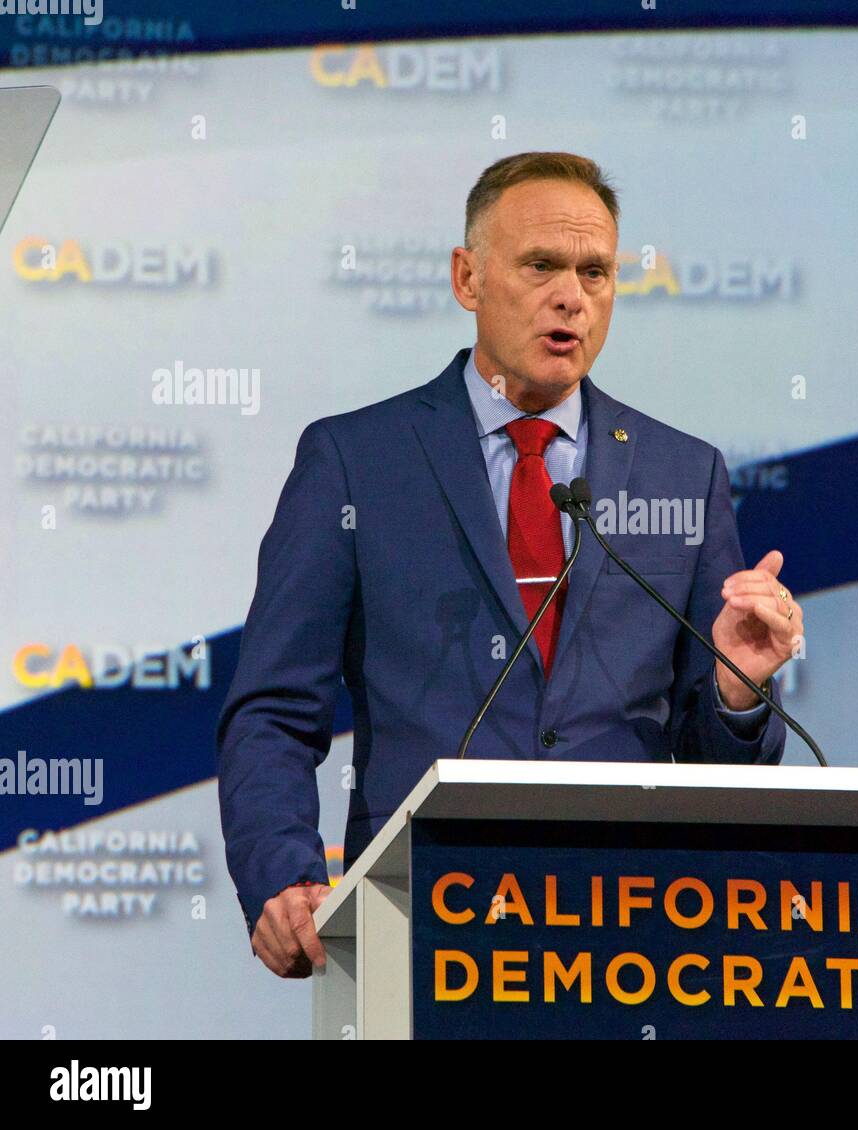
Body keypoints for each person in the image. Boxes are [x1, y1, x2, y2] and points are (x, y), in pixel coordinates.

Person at [216, 152, 805, 978]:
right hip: (422, 923)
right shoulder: (357, 462)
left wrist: (739, 691)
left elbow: (714, 761)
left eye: (595, 272)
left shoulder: (685, 474)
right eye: (541, 266)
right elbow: (274, 710)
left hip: (630, 937)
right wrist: (282, 876)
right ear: (467, 278)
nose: (572, 295)